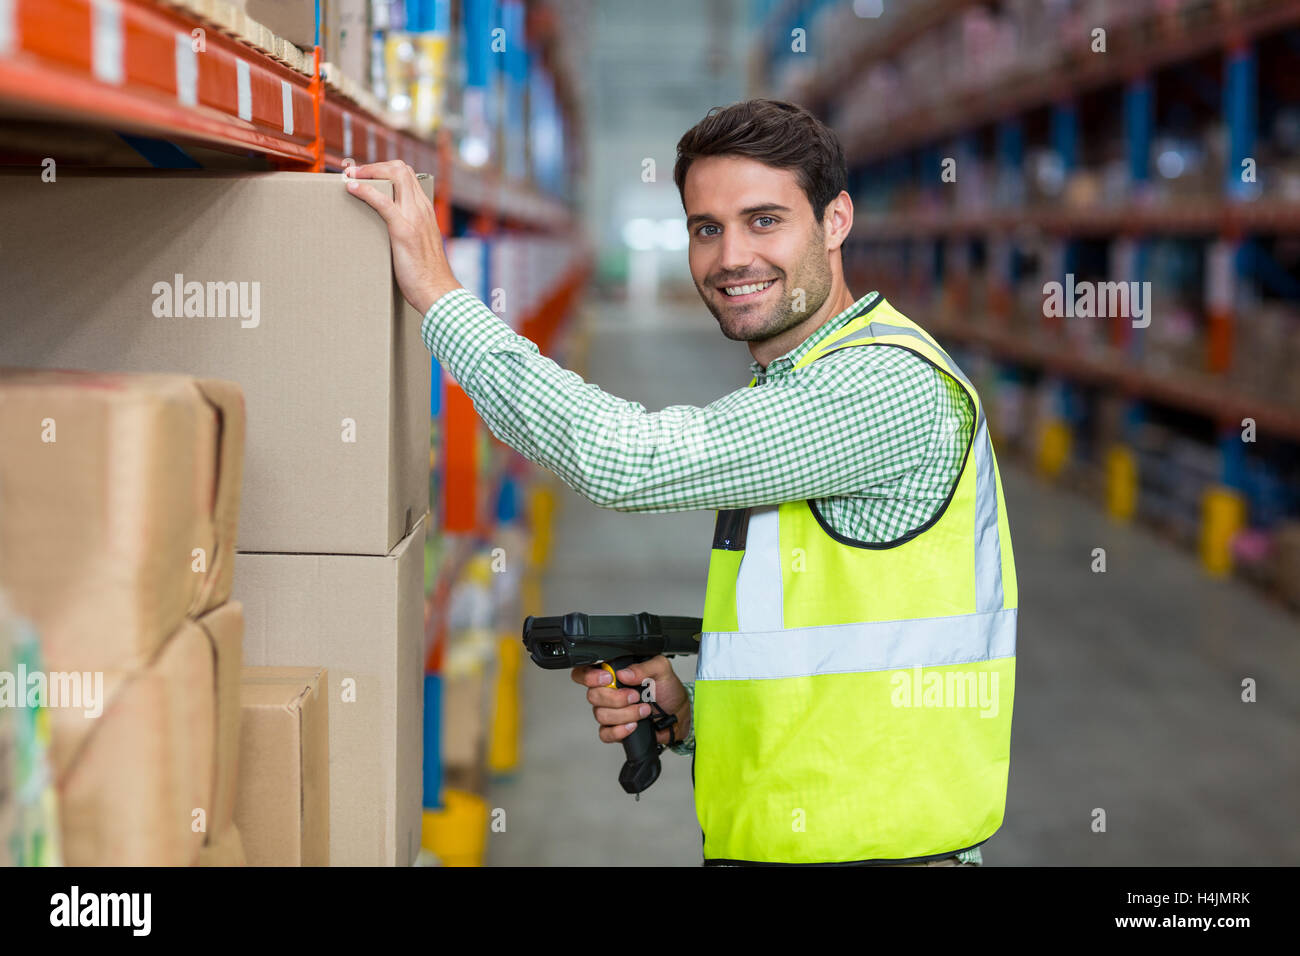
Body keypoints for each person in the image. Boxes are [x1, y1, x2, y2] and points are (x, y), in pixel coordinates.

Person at [346, 98, 1018, 867]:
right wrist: (692, 719)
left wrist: (439, 293)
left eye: (765, 221)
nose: (731, 256)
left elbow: (626, 459)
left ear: (835, 222)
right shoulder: (795, 387)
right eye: (707, 229)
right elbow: (832, 657)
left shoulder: (881, 388)